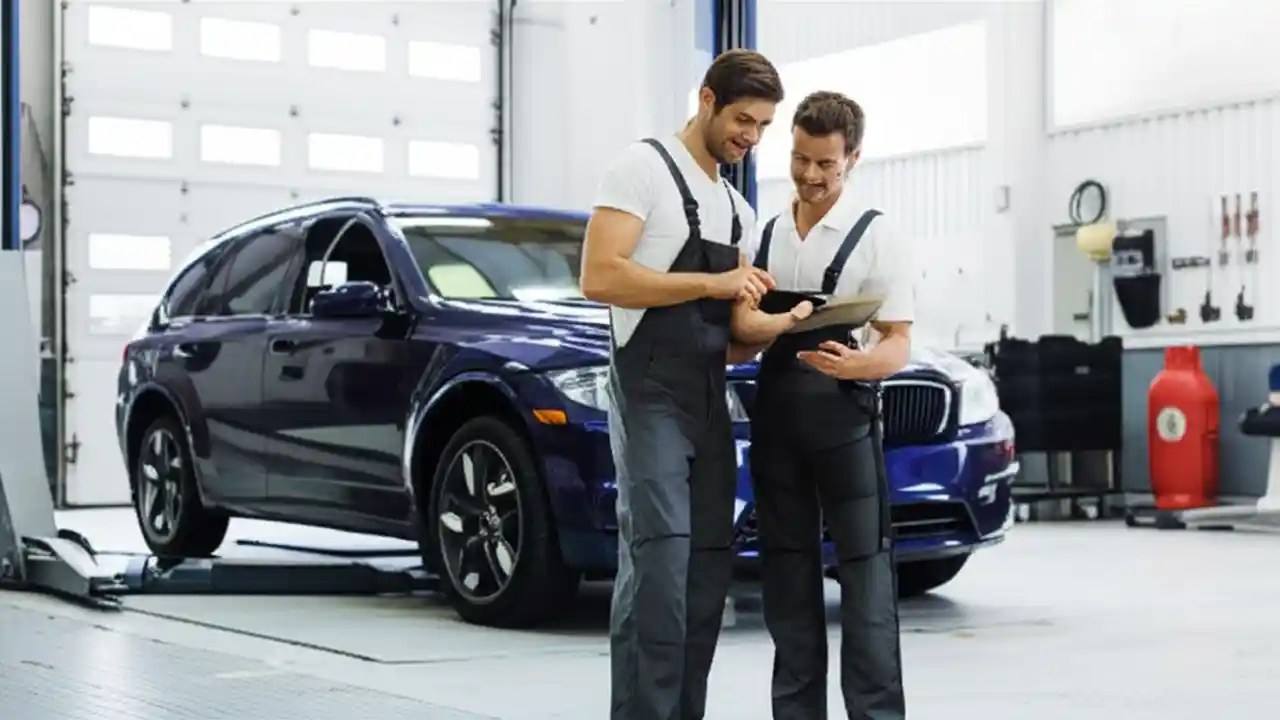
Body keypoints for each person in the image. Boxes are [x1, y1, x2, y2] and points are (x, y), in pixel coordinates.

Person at [578, 49, 798, 720]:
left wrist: (789, 322)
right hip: (648, 394)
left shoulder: (737, 210)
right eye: (742, 120)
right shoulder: (640, 169)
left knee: (705, 576)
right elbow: (600, 277)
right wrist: (714, 281)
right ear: (706, 99)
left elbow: (730, 338)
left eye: (762, 127)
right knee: (660, 566)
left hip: (708, 399)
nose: (750, 138)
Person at [738, 91, 914, 719]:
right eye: (801, 159)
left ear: (853, 159)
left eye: (826, 165)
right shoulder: (768, 233)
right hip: (777, 423)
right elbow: (740, 342)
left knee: (866, 575)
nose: (810, 176)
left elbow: (896, 343)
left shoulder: (877, 234)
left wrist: (855, 365)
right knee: (786, 577)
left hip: (844, 421)